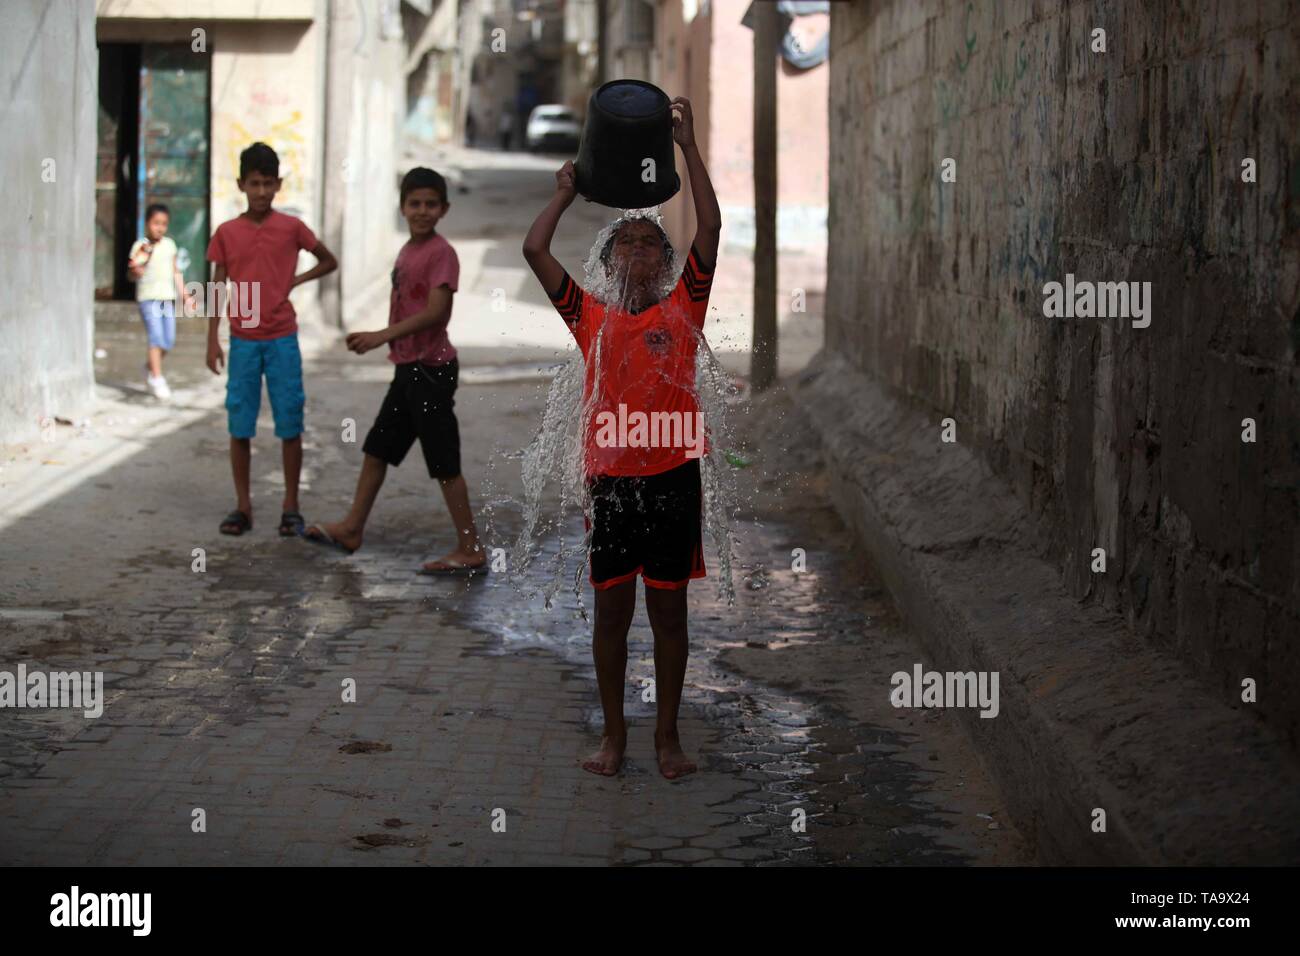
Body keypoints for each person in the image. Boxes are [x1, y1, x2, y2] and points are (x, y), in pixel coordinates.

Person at [522, 97, 721, 779]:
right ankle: (614, 737)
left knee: (668, 616)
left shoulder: (683, 308)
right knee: (611, 616)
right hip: (610, 485)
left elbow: (712, 226)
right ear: (609, 261)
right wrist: (564, 193)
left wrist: (688, 148)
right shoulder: (591, 318)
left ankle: (667, 736)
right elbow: (533, 249)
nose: (637, 249)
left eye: (648, 242)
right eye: (625, 242)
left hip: (672, 481)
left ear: (666, 265)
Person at [303, 167, 485, 575]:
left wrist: (380, 335)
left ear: (444, 209)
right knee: (377, 450)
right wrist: (389, 342)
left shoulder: (442, 253)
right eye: (414, 204)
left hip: (432, 372)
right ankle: (352, 529)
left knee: (445, 463)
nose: (422, 211)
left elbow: (438, 312)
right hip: (409, 370)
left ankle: (471, 548)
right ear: (402, 207)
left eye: (430, 204)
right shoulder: (408, 250)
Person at [205, 141, 338, 538]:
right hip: (243, 340)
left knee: (289, 423)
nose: (261, 192)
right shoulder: (227, 233)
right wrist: (212, 338)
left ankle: (290, 507)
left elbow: (329, 260)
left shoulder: (291, 228)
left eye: (267, 184)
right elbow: (218, 286)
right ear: (241, 185)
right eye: (254, 183)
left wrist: (296, 279)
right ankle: (243, 507)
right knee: (240, 424)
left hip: (282, 338)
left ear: (278, 185)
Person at [127, 203, 194, 399]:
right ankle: (157, 378)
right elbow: (133, 272)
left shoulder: (169, 245)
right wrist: (136, 271)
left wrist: (186, 296)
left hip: (167, 300)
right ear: (147, 223)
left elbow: (176, 272)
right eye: (156, 223)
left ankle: (149, 366)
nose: (159, 227)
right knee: (156, 338)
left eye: (164, 224)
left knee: (168, 341)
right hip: (148, 299)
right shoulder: (140, 247)